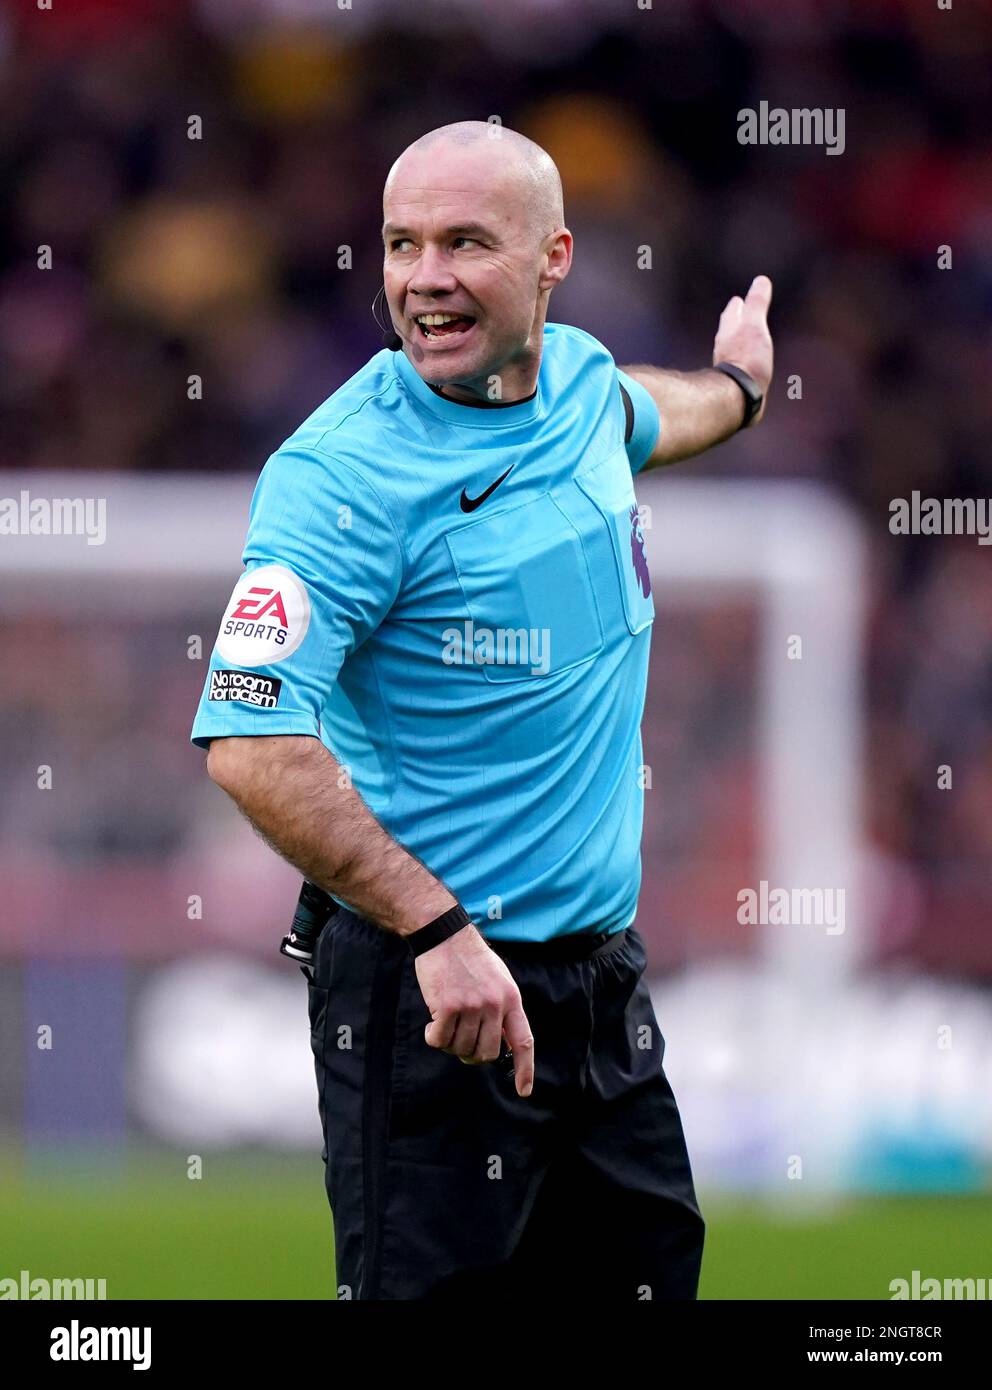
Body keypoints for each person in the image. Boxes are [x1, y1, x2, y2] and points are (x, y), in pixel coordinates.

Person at [190, 120, 773, 1300]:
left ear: (553, 259)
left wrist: (740, 387)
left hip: (599, 993)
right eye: (401, 244)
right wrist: (435, 932)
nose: (424, 277)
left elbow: (651, 411)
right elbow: (251, 744)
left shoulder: (579, 389)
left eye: (464, 242)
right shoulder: (339, 477)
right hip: (433, 997)